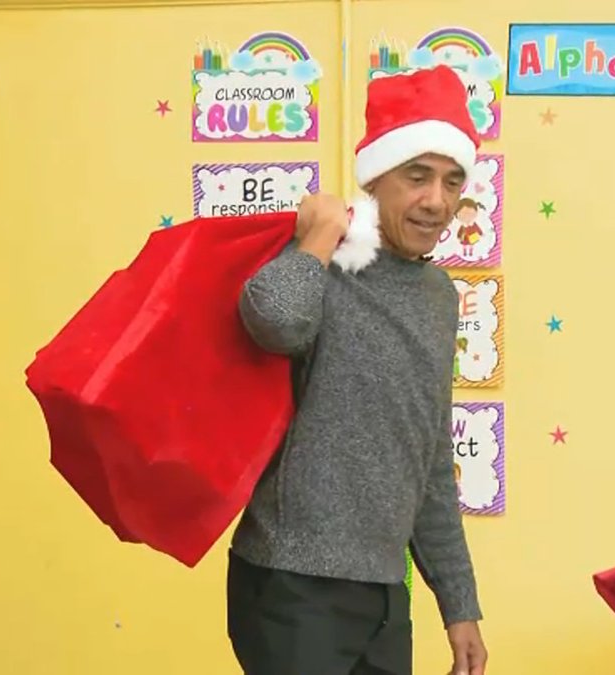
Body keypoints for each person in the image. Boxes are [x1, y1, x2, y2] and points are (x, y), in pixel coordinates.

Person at [226, 65, 488, 675]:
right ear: (376, 181)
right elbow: (272, 321)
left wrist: (459, 604)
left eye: (452, 182)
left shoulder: (438, 296)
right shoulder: (328, 262)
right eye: (416, 177)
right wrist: (317, 240)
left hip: (382, 589)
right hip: (291, 580)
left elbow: (428, 459)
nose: (436, 200)